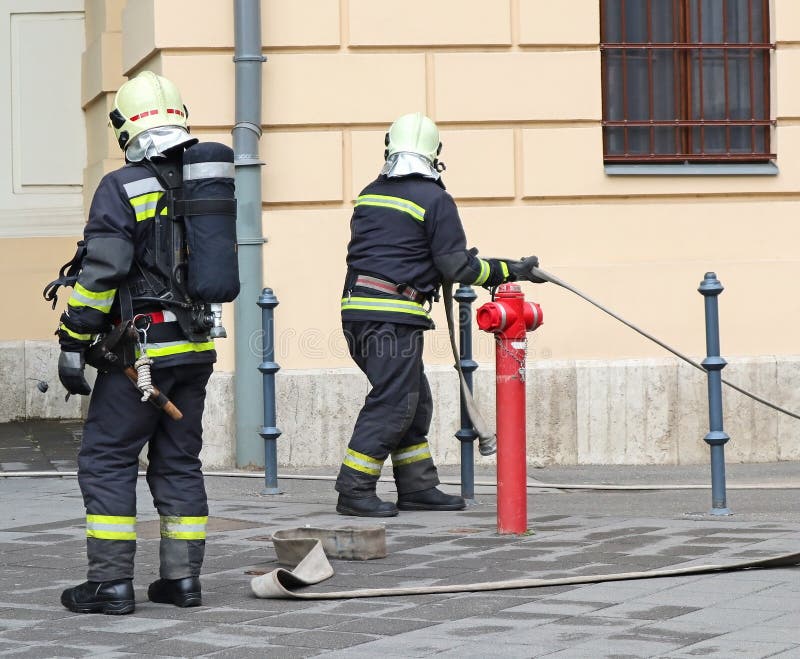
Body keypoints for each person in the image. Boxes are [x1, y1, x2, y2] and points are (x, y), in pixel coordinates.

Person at [54, 71, 238, 614]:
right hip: (196, 348)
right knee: (179, 462)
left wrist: (72, 335)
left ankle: (110, 584)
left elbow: (104, 270)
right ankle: (182, 582)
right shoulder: (204, 183)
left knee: (107, 459)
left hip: (141, 354)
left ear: (126, 128)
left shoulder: (122, 185)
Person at [336, 112, 544, 517]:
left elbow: (402, 252)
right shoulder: (435, 199)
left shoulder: (371, 194)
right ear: (436, 155)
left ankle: (417, 486)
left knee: (413, 399)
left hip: (358, 312)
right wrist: (509, 271)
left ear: (388, 148)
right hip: (392, 316)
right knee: (395, 401)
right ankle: (353, 489)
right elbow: (457, 269)